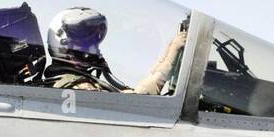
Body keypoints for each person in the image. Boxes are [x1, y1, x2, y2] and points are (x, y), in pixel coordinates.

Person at [45, 8, 188, 95]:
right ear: (64, 44)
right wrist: (170, 60)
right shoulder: (79, 89)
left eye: (94, 43)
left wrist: (167, 53)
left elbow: (127, 95)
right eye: (87, 44)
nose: (95, 49)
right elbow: (137, 102)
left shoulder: (69, 81)